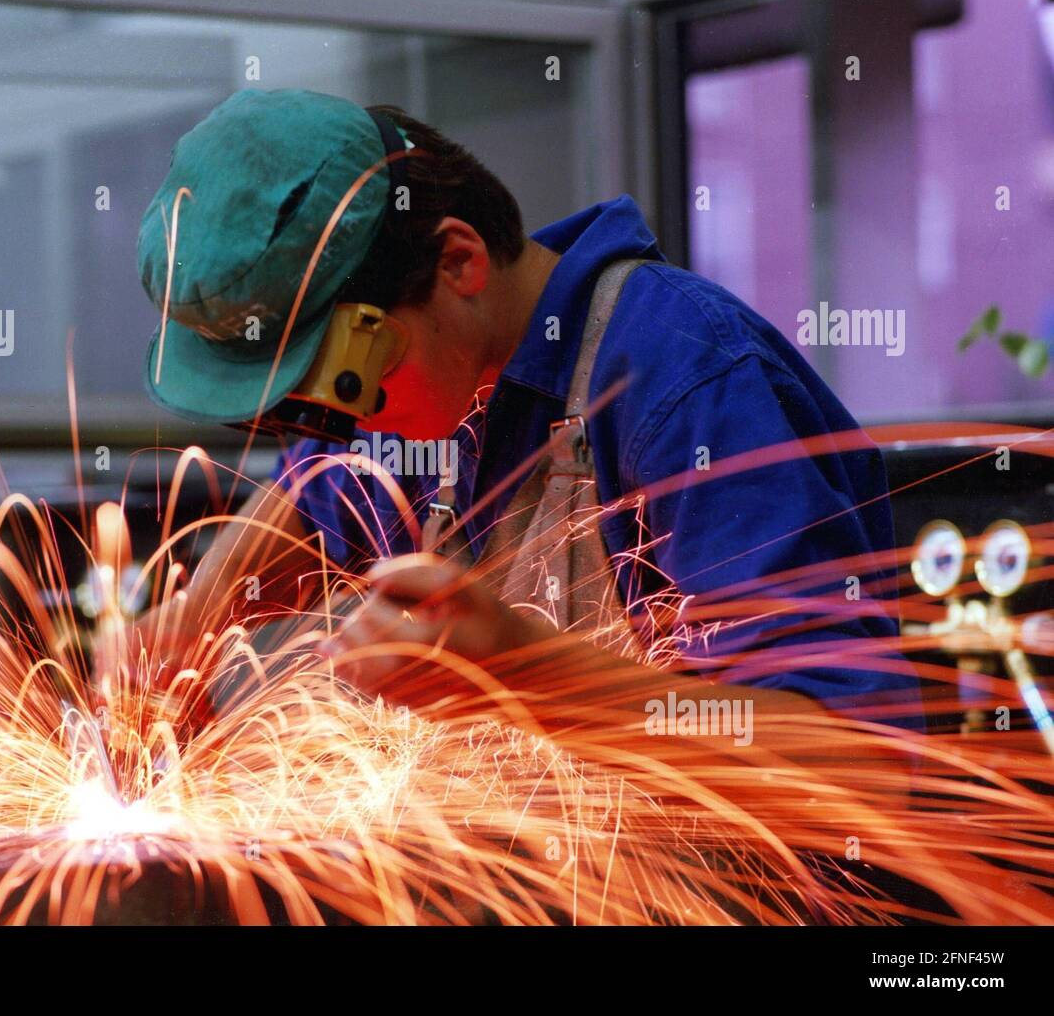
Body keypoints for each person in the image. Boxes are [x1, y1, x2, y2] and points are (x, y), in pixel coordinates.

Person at [133, 88, 921, 728]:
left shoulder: (685, 377)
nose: (354, 429)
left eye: (349, 381)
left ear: (459, 261)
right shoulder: (415, 385)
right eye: (307, 411)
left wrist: (534, 674)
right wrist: (183, 631)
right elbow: (313, 501)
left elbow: (846, 750)